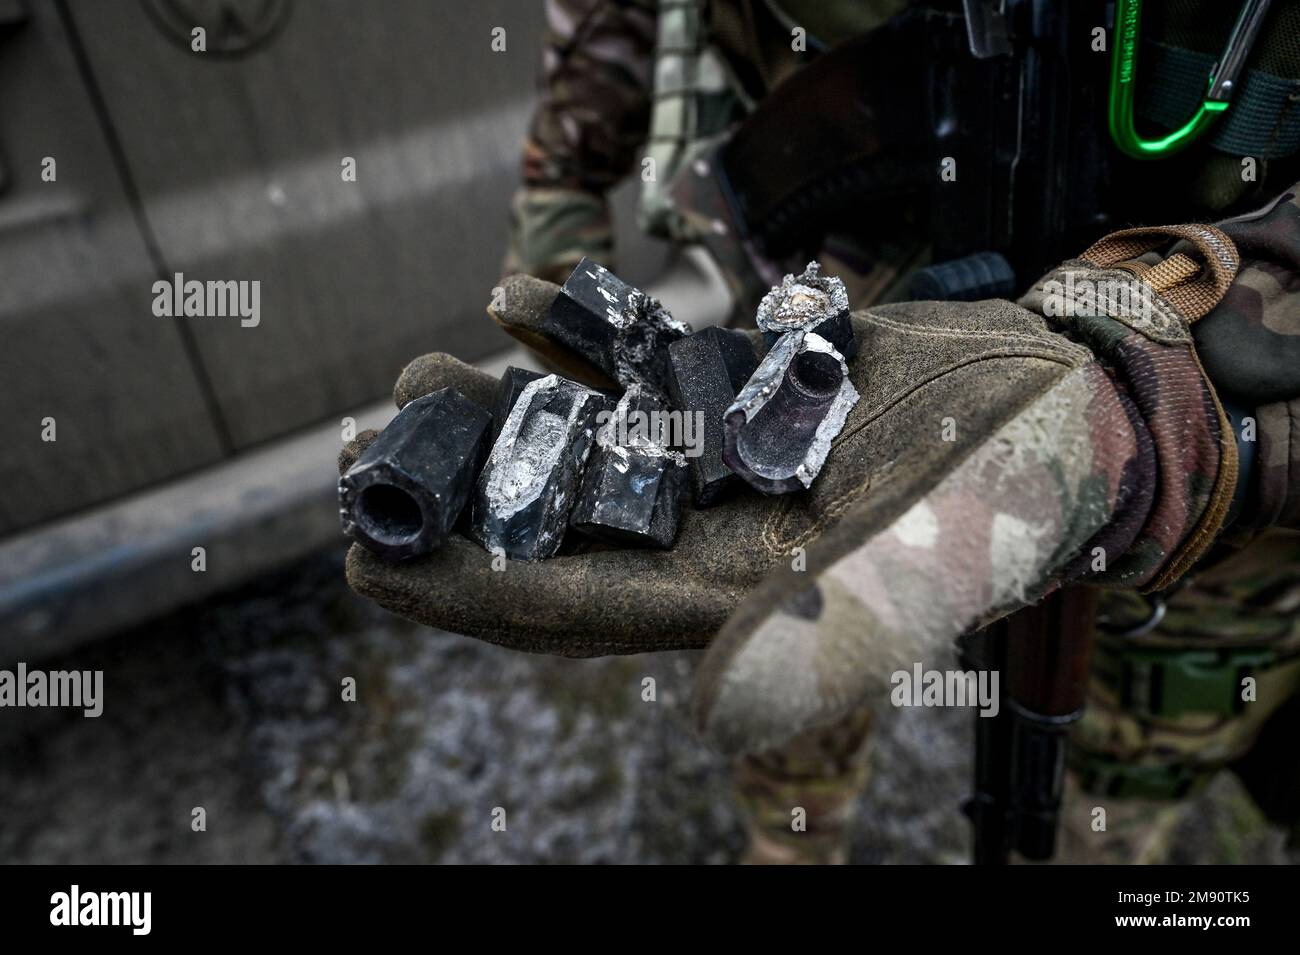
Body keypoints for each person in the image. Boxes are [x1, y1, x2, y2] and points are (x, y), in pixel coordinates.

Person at [345, 0, 1300, 863]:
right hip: (827, 301)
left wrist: (1180, 403)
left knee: (1130, 760)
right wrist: (562, 194)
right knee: (787, 662)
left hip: (1205, 428)